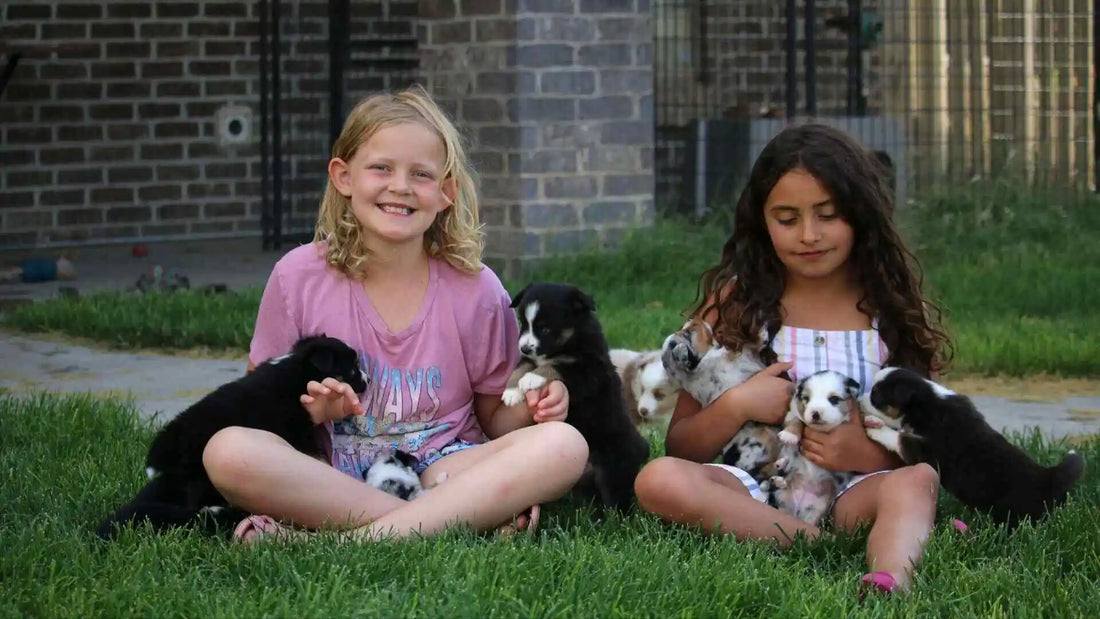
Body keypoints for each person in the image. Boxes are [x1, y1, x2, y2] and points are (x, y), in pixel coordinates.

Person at [202, 85, 590, 543]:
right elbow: (255, 405)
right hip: (332, 477)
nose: (400, 186)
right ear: (343, 177)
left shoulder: (476, 287)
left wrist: (535, 405)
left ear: (446, 193)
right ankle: (445, 520)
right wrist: (310, 408)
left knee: (565, 445)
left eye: (421, 175)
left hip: (443, 466)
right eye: (381, 168)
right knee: (228, 449)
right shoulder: (298, 276)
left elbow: (494, 419)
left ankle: (337, 541)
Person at [633, 123, 953, 596]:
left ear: (861, 215)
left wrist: (865, 453)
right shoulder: (734, 307)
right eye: (787, 219)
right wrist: (738, 404)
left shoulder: (888, 313)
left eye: (828, 215)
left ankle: (889, 578)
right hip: (748, 489)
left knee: (919, 480)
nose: (809, 235)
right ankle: (804, 541)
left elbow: (936, 442)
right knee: (658, 478)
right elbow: (683, 447)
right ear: (760, 222)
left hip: (851, 491)